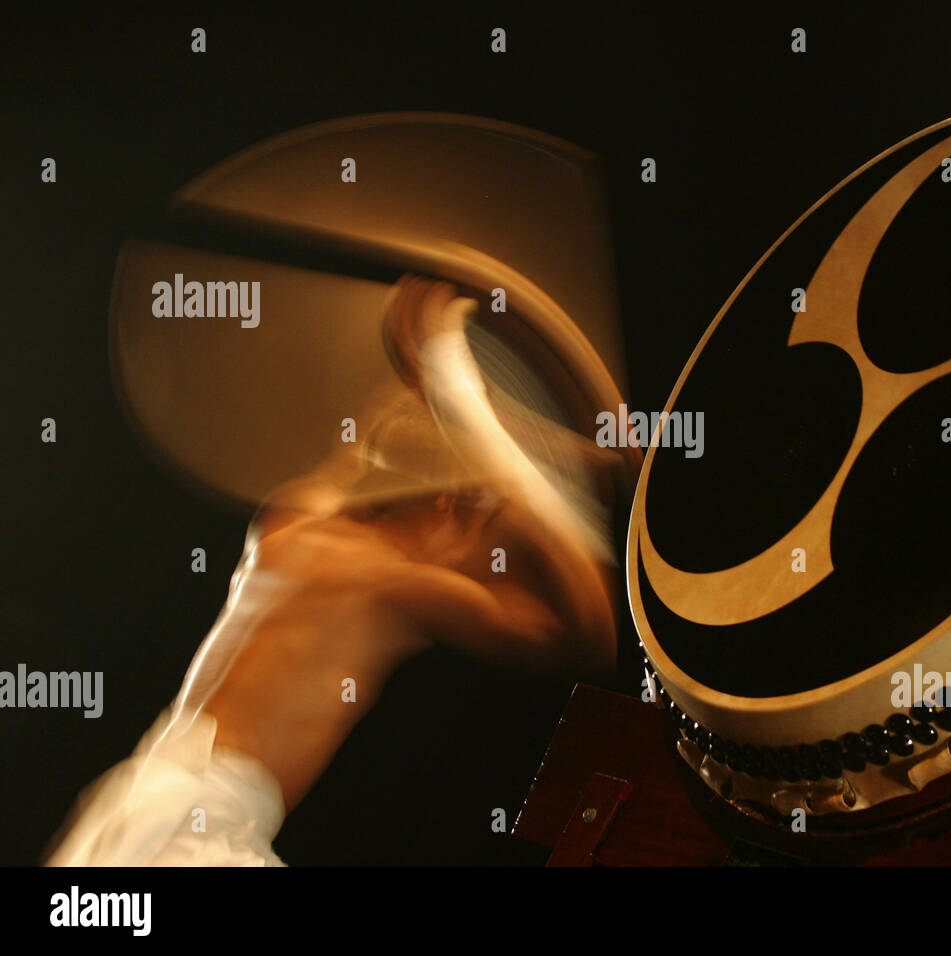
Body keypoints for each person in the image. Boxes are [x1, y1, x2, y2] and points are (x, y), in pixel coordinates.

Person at [45, 279, 625, 865]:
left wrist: (451, 383)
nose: (478, 544)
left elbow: (380, 447)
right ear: (445, 504)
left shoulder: (286, 524)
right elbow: (590, 635)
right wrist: (486, 431)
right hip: (194, 839)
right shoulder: (390, 584)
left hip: (127, 812)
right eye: (479, 518)